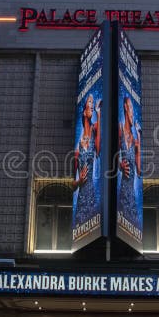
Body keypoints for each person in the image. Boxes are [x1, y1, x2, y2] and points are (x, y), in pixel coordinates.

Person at [73, 94, 102, 226]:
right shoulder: (77, 149)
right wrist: (78, 181)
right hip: (81, 197)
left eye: (92, 102)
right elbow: (72, 185)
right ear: (84, 111)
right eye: (89, 102)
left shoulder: (95, 127)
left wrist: (99, 113)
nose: (92, 103)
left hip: (91, 195)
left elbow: (98, 147)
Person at [117, 95, 141, 222]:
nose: (133, 113)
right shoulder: (120, 128)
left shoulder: (135, 141)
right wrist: (120, 164)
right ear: (126, 107)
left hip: (131, 194)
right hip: (123, 191)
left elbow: (139, 171)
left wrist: (139, 138)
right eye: (131, 108)